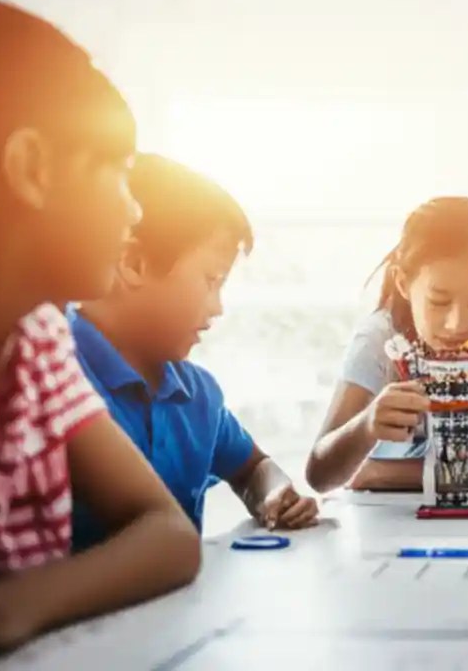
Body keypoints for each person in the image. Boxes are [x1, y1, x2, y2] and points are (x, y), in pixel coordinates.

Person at [0, 0, 198, 654]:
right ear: (32, 170)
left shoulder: (37, 340)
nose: (134, 211)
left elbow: (170, 533)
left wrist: (6, 609)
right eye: (120, 174)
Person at [69, 154, 319, 550]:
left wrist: (272, 494)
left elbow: (252, 467)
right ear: (134, 263)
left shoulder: (196, 393)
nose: (217, 307)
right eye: (211, 280)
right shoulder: (51, 372)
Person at [306, 197, 468, 493]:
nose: (456, 324)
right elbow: (319, 476)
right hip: (379, 516)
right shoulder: (379, 341)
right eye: (438, 301)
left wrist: (377, 473)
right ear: (403, 283)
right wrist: (365, 426)